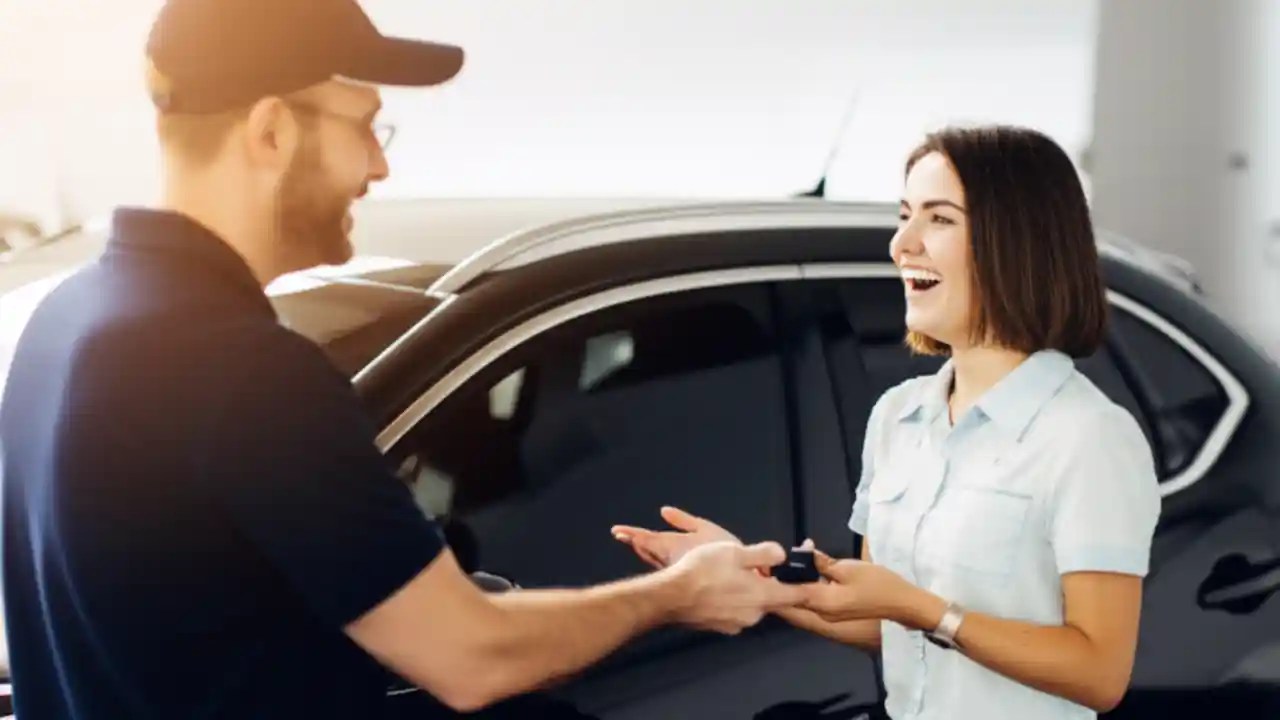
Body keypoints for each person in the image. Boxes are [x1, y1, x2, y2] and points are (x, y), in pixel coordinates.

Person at [0, 0, 806, 717]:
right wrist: (678, 594)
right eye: (365, 124)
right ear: (272, 130)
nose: (379, 165)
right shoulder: (243, 371)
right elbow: (468, 655)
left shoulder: (62, 326)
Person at [614, 125, 1162, 719]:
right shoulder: (898, 417)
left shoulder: (1088, 437)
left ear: (1015, 242)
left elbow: (1099, 672)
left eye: (939, 219)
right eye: (905, 216)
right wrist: (751, 569)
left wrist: (927, 611)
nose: (903, 242)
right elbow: (882, 619)